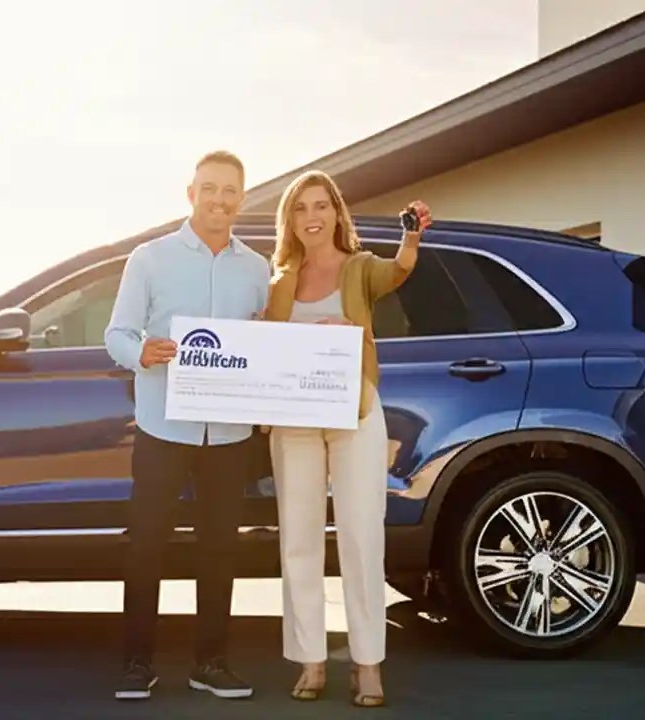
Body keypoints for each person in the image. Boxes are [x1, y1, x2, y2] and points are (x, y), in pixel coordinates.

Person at [104, 150, 270, 701]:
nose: (219, 199)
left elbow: (267, 341)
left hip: (229, 435)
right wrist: (143, 353)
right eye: (209, 188)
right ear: (191, 192)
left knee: (220, 549)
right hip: (162, 428)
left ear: (242, 199)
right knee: (146, 545)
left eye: (230, 191)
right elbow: (117, 334)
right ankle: (135, 662)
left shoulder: (255, 268)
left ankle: (211, 662)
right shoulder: (150, 258)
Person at [262, 169, 430, 708]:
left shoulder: (360, 269)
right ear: (290, 220)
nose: (312, 217)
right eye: (300, 209)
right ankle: (311, 660)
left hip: (354, 412)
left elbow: (400, 271)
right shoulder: (281, 278)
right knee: (300, 539)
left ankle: (368, 664)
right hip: (294, 420)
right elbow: (264, 344)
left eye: (321, 206)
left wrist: (411, 235)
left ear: (336, 212)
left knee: (361, 536)